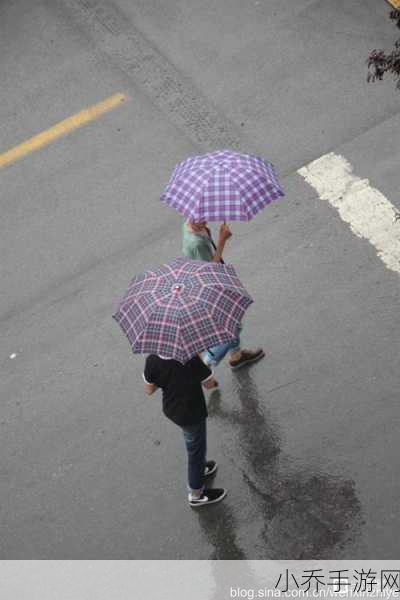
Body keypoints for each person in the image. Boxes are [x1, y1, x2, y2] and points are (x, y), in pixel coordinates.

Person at [143, 353, 227, 507]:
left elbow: (149, 389)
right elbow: (209, 384)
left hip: (172, 409)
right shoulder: (189, 358)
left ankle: (201, 467)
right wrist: (202, 364)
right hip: (192, 412)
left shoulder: (152, 360)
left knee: (193, 443)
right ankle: (196, 494)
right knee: (195, 450)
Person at [182, 221, 265, 369]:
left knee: (230, 320)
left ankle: (236, 356)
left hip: (206, 283)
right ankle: (204, 367)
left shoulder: (189, 225)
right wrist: (222, 240)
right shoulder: (196, 244)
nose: (206, 219)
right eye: (202, 218)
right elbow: (209, 271)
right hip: (209, 287)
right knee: (232, 327)